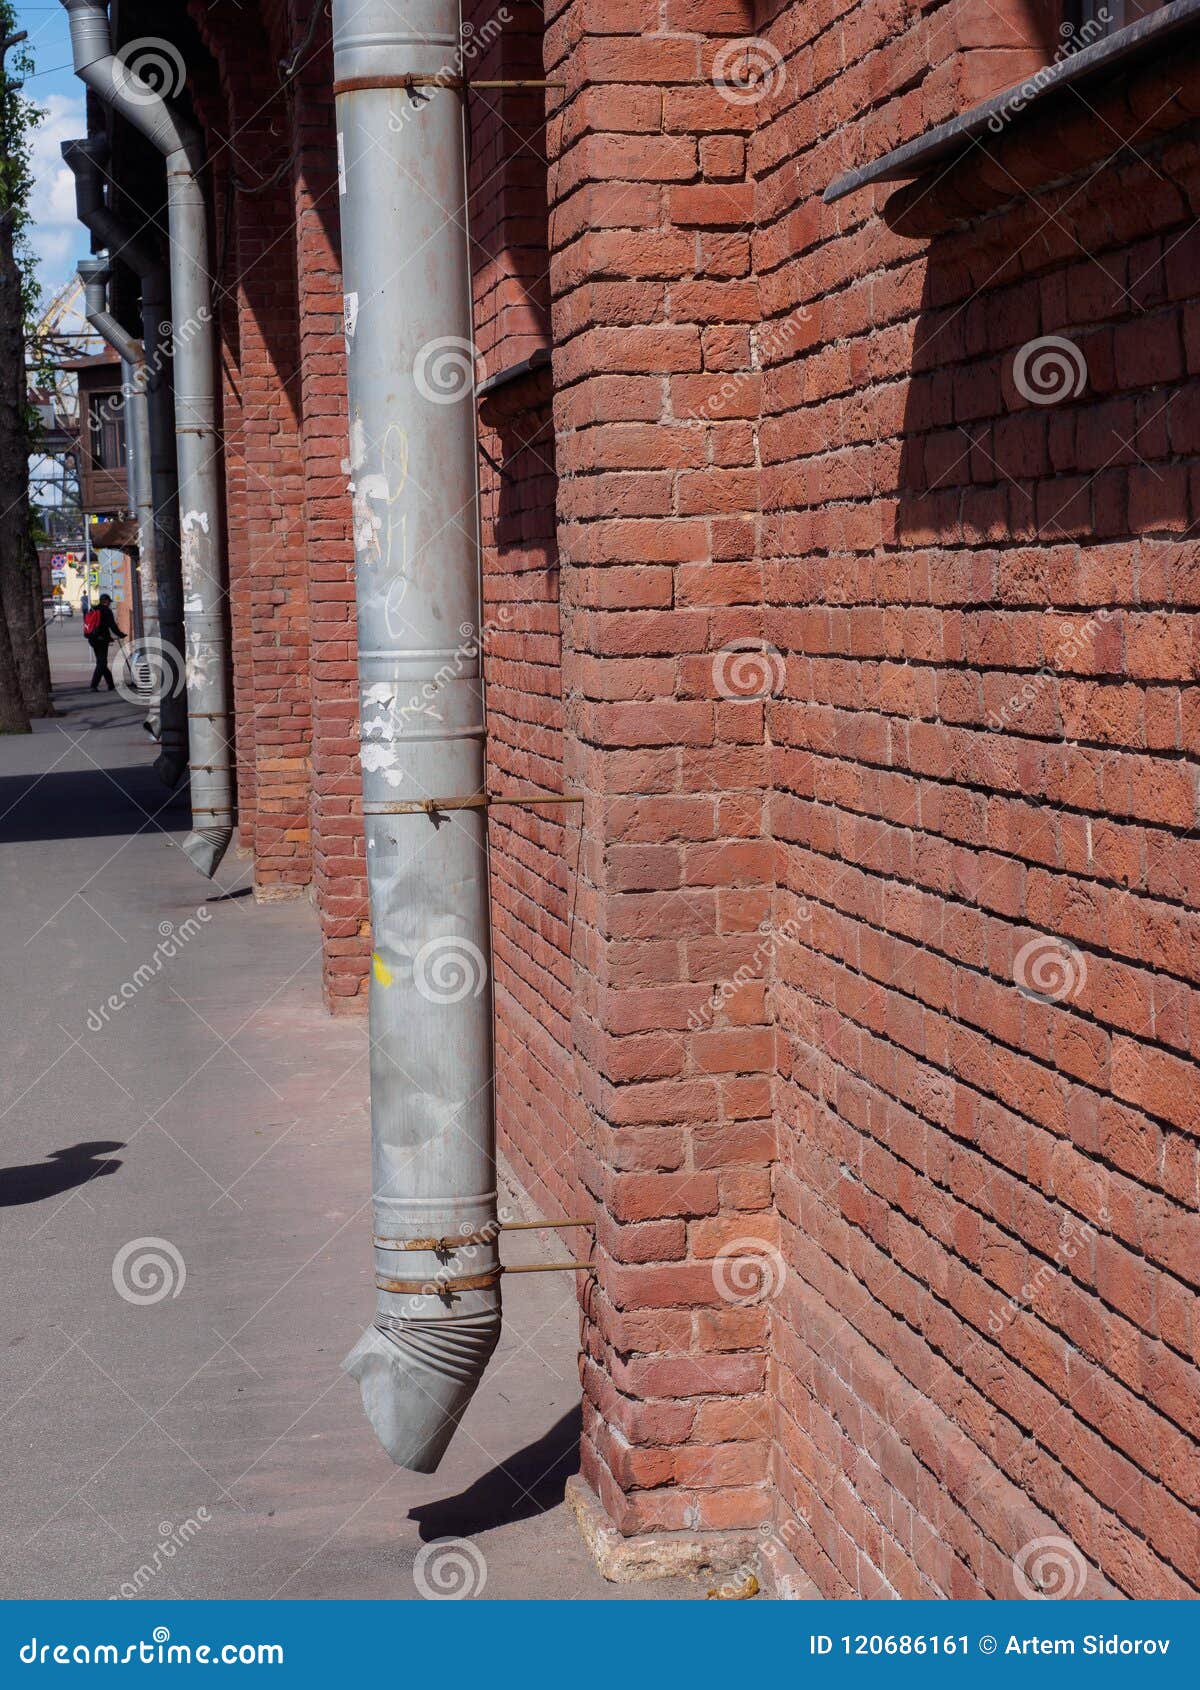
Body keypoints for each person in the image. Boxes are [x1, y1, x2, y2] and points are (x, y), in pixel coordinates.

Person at [83, 593, 125, 692]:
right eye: (109, 602)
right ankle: (93, 685)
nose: (110, 604)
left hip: (92, 639)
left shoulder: (93, 609)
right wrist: (121, 634)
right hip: (101, 639)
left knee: (101, 662)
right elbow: (112, 625)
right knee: (102, 663)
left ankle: (111, 684)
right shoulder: (106, 611)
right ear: (106, 601)